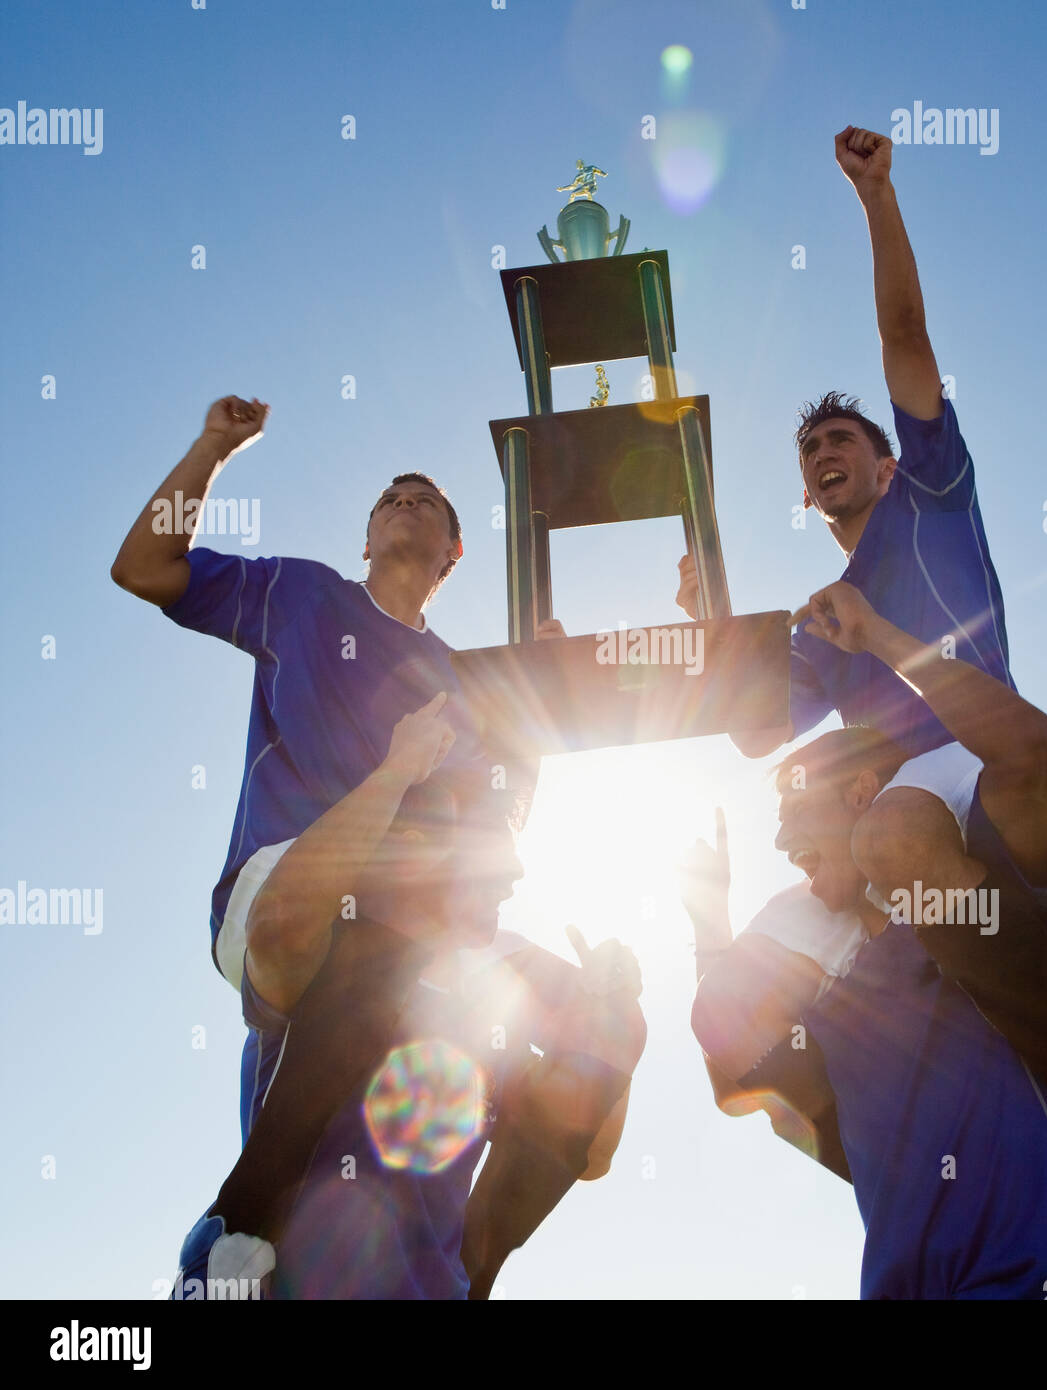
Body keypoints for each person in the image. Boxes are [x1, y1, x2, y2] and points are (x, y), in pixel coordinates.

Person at [686, 585, 1047, 1299]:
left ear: (861, 792)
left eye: (796, 806)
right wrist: (710, 922)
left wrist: (879, 637)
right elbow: (735, 1081)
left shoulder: (988, 911)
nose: (780, 835)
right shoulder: (833, 997)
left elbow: (1033, 752)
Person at [175, 693, 647, 1300]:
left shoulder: (492, 1008)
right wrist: (397, 771)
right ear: (420, 840)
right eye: (491, 836)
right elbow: (281, 925)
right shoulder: (326, 930)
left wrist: (613, 1022)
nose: (515, 871)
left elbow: (589, 1153)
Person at [676, 125, 1014, 938]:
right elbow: (756, 733)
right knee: (766, 969)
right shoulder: (824, 620)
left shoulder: (931, 501)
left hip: (981, 757)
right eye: (811, 450)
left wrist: (876, 197)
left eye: (842, 441)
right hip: (888, 803)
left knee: (890, 836)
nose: (825, 452)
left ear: (888, 467)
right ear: (804, 493)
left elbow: (905, 338)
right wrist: (708, 625)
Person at [111, 395, 491, 989]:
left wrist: (552, 677)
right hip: (278, 888)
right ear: (366, 543)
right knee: (291, 921)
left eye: (424, 501)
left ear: (454, 551)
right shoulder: (301, 593)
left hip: (397, 914)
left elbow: (492, 813)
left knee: (543, 1013)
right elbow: (142, 567)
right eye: (388, 501)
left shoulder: (460, 678)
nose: (404, 502)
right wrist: (213, 447)